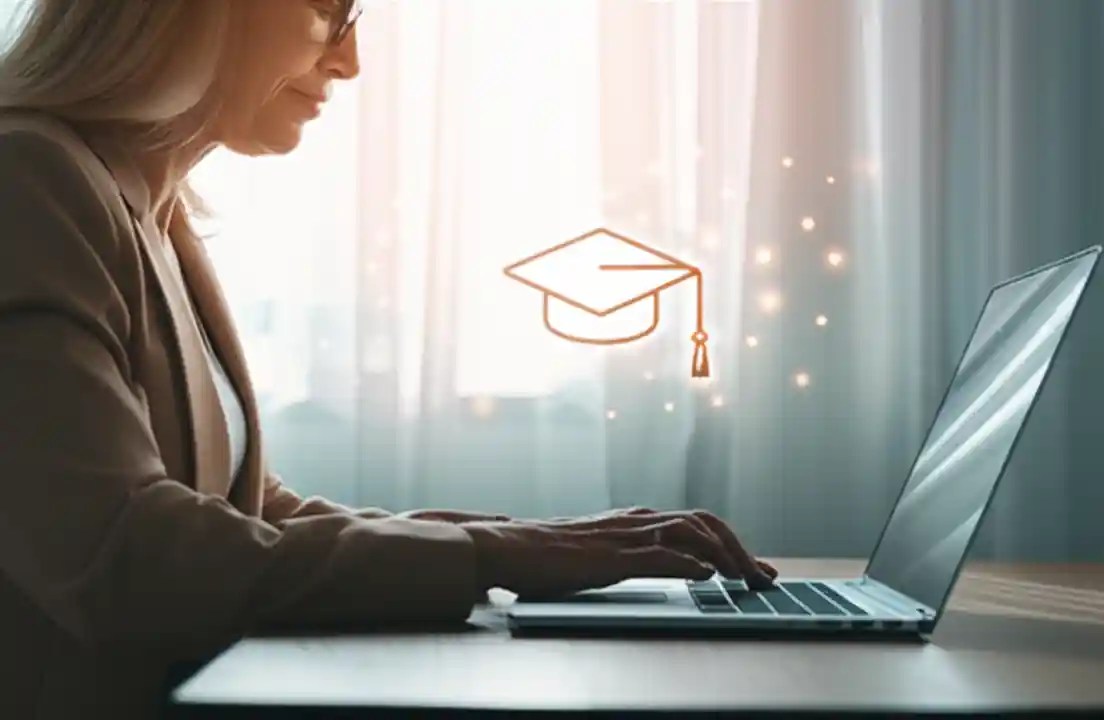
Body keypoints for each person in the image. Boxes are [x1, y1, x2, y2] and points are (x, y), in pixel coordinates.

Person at [0, 1, 776, 716]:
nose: (350, 61)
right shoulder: (30, 183)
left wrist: (536, 542)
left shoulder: (150, 211)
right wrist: (494, 553)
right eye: (328, 12)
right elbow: (123, 555)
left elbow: (245, 510)